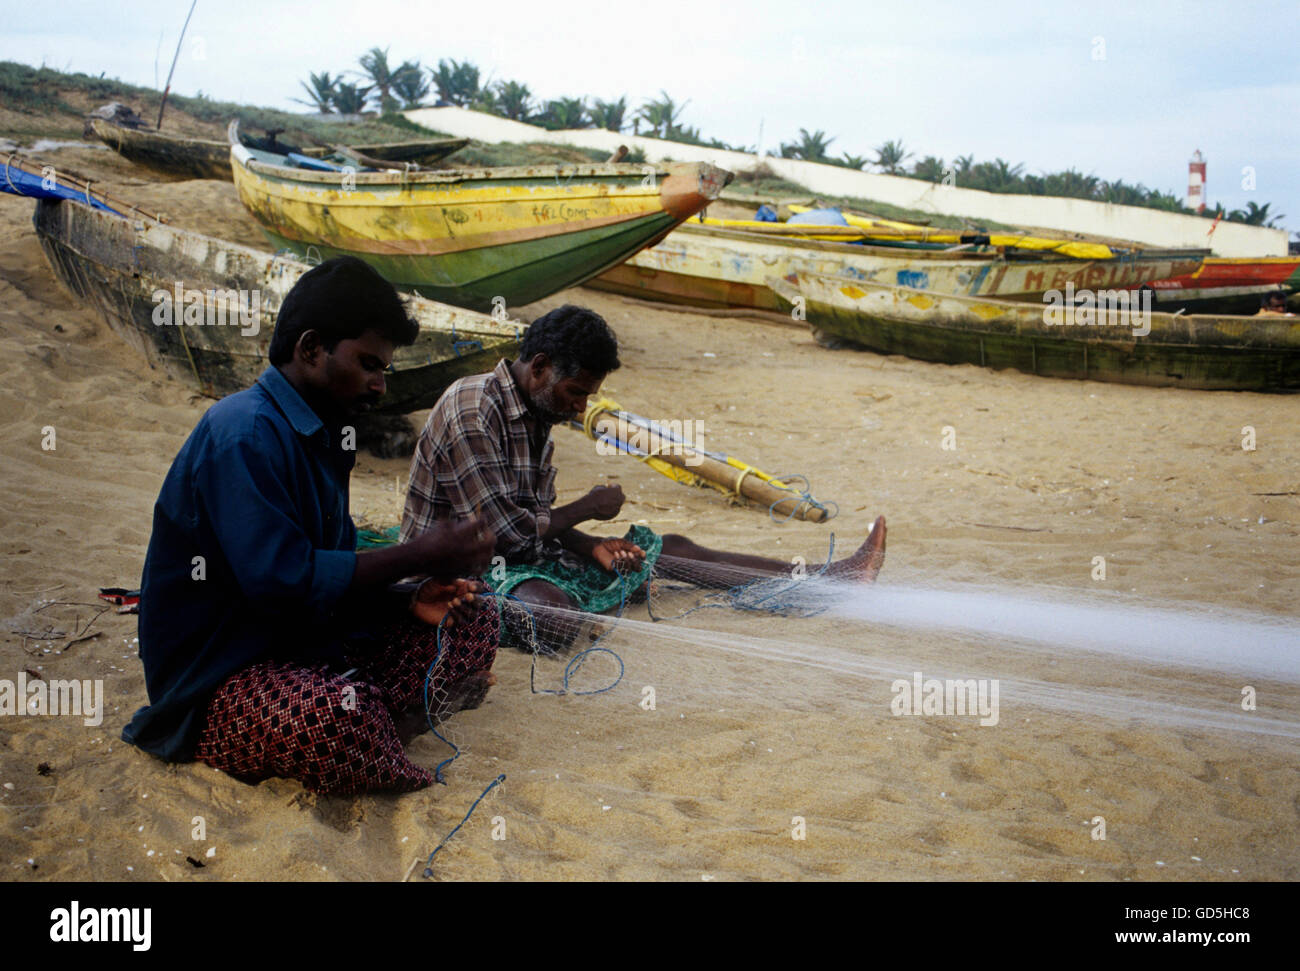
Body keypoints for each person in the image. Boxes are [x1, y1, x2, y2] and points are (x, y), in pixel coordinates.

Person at [122, 256, 497, 795]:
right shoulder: (243, 433)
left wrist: (407, 599)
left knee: (473, 617)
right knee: (332, 719)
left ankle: (375, 715)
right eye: (369, 364)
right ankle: (384, 724)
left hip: (301, 644)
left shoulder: (325, 436)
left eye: (384, 370)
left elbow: (331, 574)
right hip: (220, 677)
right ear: (312, 348)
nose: (379, 386)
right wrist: (421, 553)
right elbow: (281, 581)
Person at [399, 304, 885, 648]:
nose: (581, 407)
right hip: (461, 573)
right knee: (555, 615)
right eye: (575, 392)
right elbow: (503, 535)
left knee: (667, 548)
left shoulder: (536, 411)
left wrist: (590, 545)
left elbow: (534, 522)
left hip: (522, 555)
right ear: (540, 367)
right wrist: (588, 509)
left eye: (588, 396)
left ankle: (827, 580)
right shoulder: (473, 408)